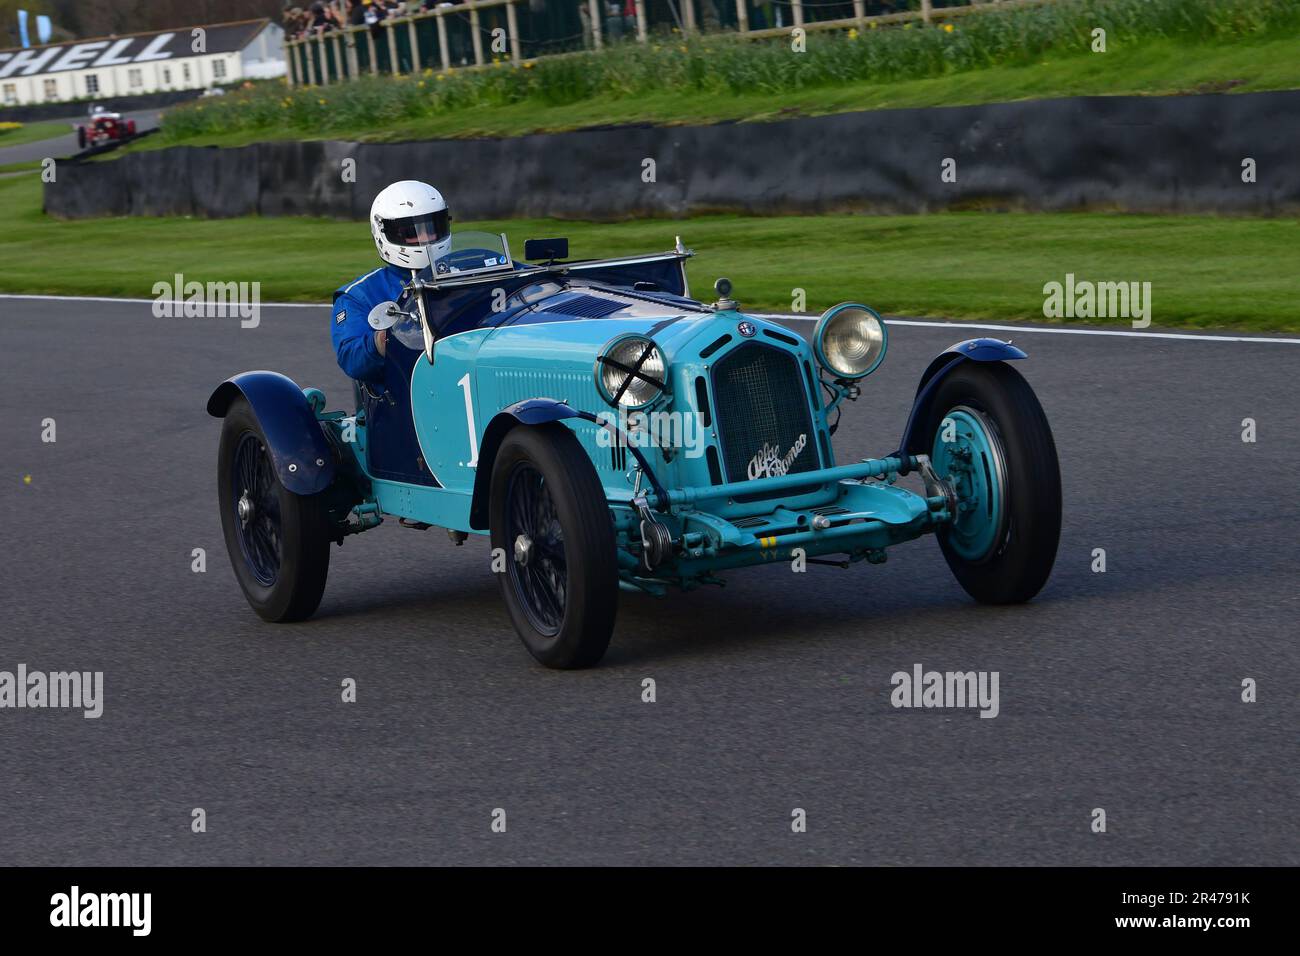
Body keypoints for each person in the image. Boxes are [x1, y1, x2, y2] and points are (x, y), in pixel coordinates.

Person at [331, 181, 452, 385]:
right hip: (400, 397)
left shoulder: (467, 270)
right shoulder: (359, 295)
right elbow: (351, 359)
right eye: (412, 232)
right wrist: (383, 339)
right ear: (385, 232)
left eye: (433, 227)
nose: (425, 237)